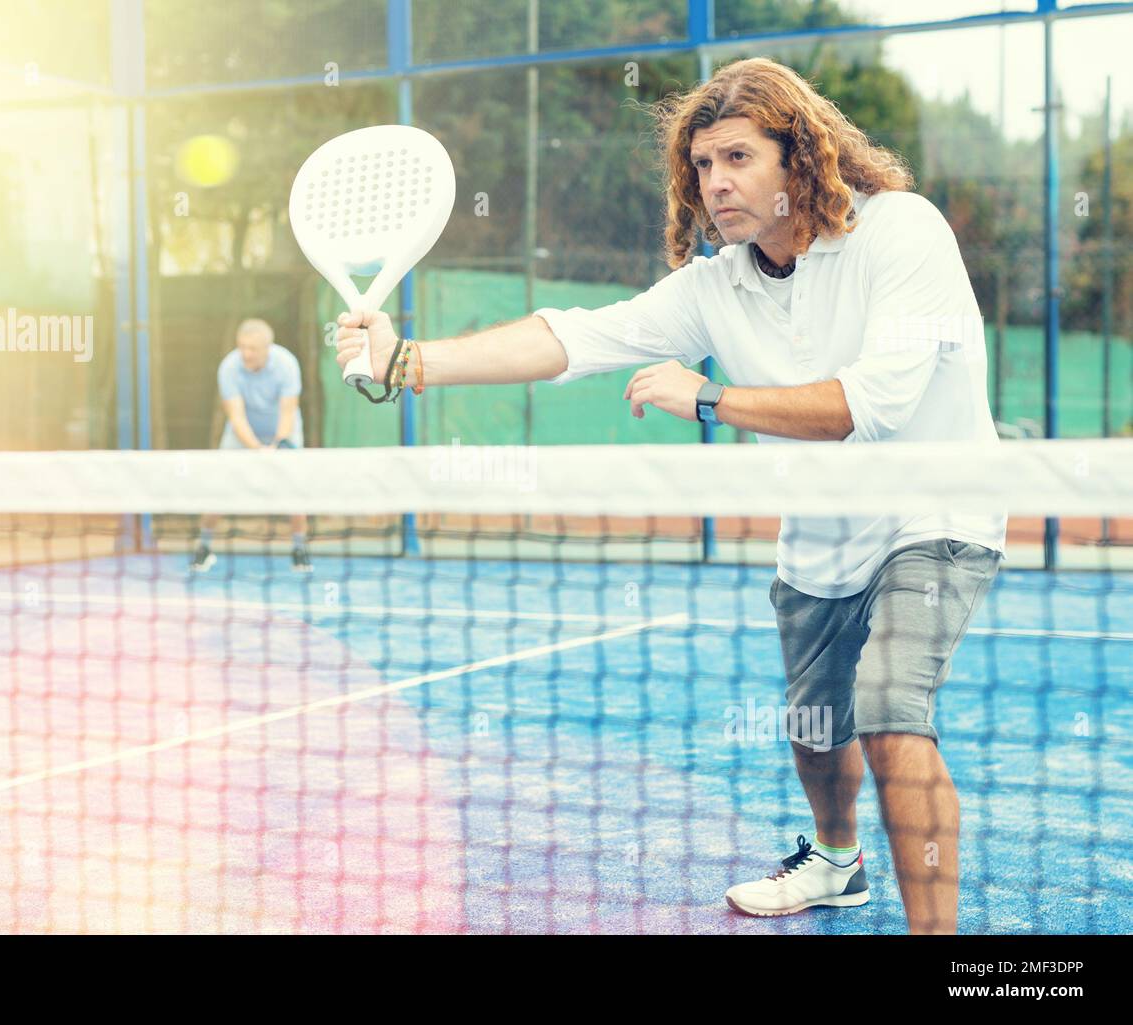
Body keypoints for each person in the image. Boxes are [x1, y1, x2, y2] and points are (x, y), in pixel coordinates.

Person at [334, 58, 1005, 934]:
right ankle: (837, 864)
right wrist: (410, 360)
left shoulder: (901, 233)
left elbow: (865, 408)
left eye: (736, 157)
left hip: (935, 508)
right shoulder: (715, 284)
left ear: (799, 156)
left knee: (886, 706)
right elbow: (575, 337)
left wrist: (707, 397)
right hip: (823, 525)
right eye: (701, 165)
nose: (714, 182)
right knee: (813, 718)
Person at [191, 318, 311, 573]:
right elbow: (236, 417)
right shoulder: (229, 367)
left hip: (283, 431)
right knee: (217, 490)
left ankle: (300, 550)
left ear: (268, 347)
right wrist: (257, 450)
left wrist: (278, 445)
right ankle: (203, 548)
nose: (246, 353)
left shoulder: (286, 364)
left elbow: (288, 412)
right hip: (242, 435)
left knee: (295, 491)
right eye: (242, 347)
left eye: (252, 348)